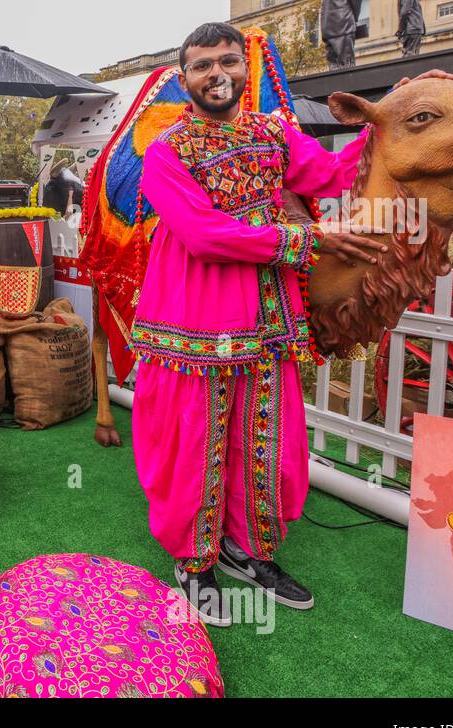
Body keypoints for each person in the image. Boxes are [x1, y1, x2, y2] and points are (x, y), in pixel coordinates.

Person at [133, 22, 401, 625]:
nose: (217, 74)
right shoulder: (166, 153)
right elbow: (204, 235)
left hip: (266, 321)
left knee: (265, 442)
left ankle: (247, 549)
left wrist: (394, 118)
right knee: (195, 445)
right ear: (184, 78)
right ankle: (193, 564)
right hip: (193, 323)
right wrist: (310, 236)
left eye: (228, 61)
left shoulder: (274, 134)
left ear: (244, 70)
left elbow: (332, 176)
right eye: (203, 65)